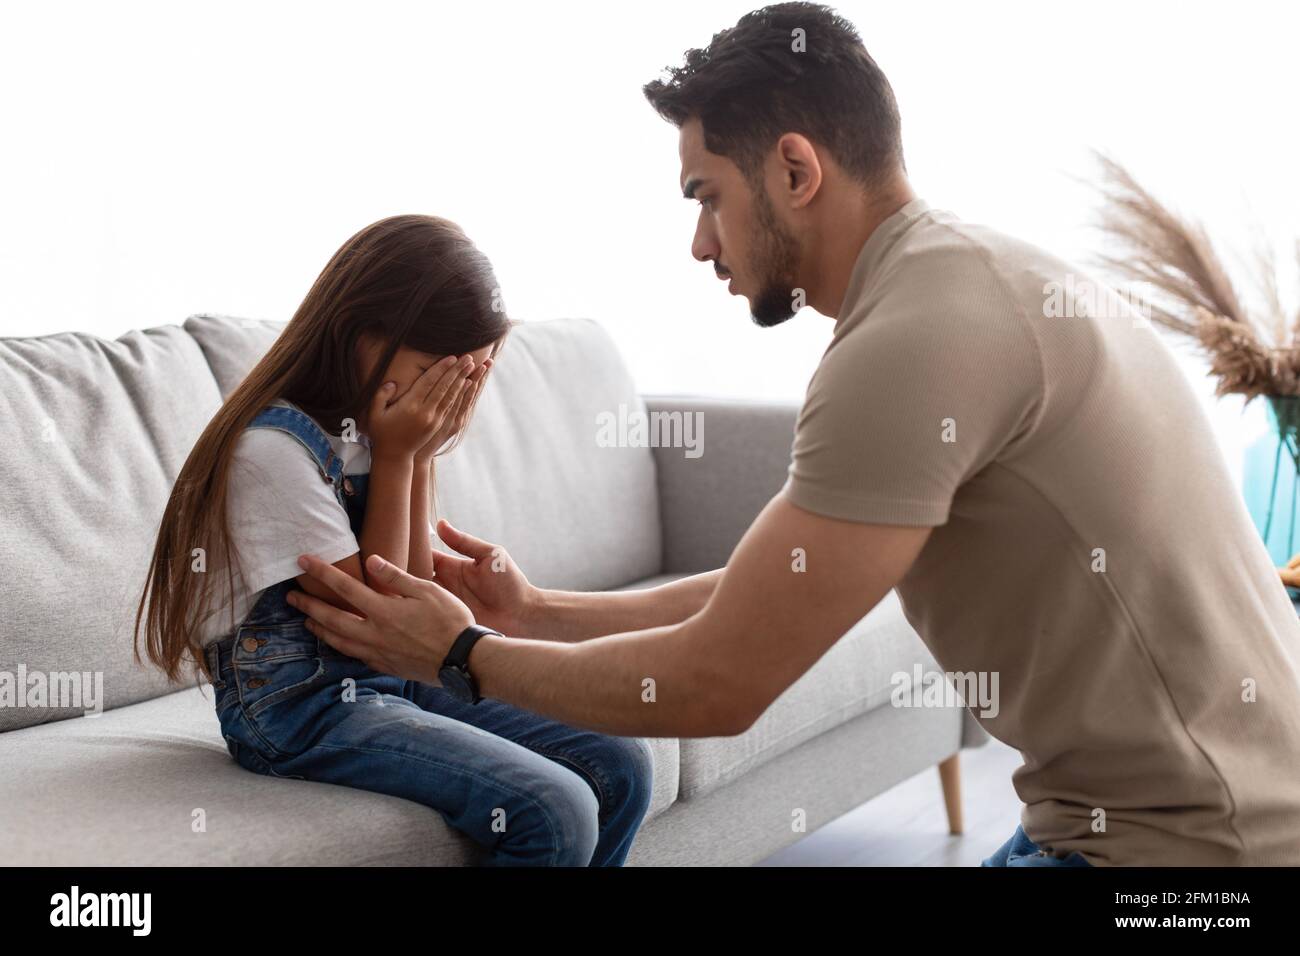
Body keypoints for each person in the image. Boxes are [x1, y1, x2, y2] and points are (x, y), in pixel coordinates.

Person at [289, 5, 1300, 866]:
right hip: (1146, 825)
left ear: (794, 169)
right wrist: (533, 609)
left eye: (706, 197)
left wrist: (457, 652)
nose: (698, 243)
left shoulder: (915, 341)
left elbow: (718, 680)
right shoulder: (958, 280)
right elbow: (762, 596)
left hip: (1193, 857)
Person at [134, 214, 653, 866]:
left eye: (474, 377)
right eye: (442, 372)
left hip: (396, 678)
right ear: (364, 336)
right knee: (555, 808)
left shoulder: (371, 437)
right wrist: (402, 453)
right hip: (298, 711)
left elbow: (414, 612)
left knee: (620, 763)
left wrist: (418, 453)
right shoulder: (275, 452)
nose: (455, 395)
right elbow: (376, 627)